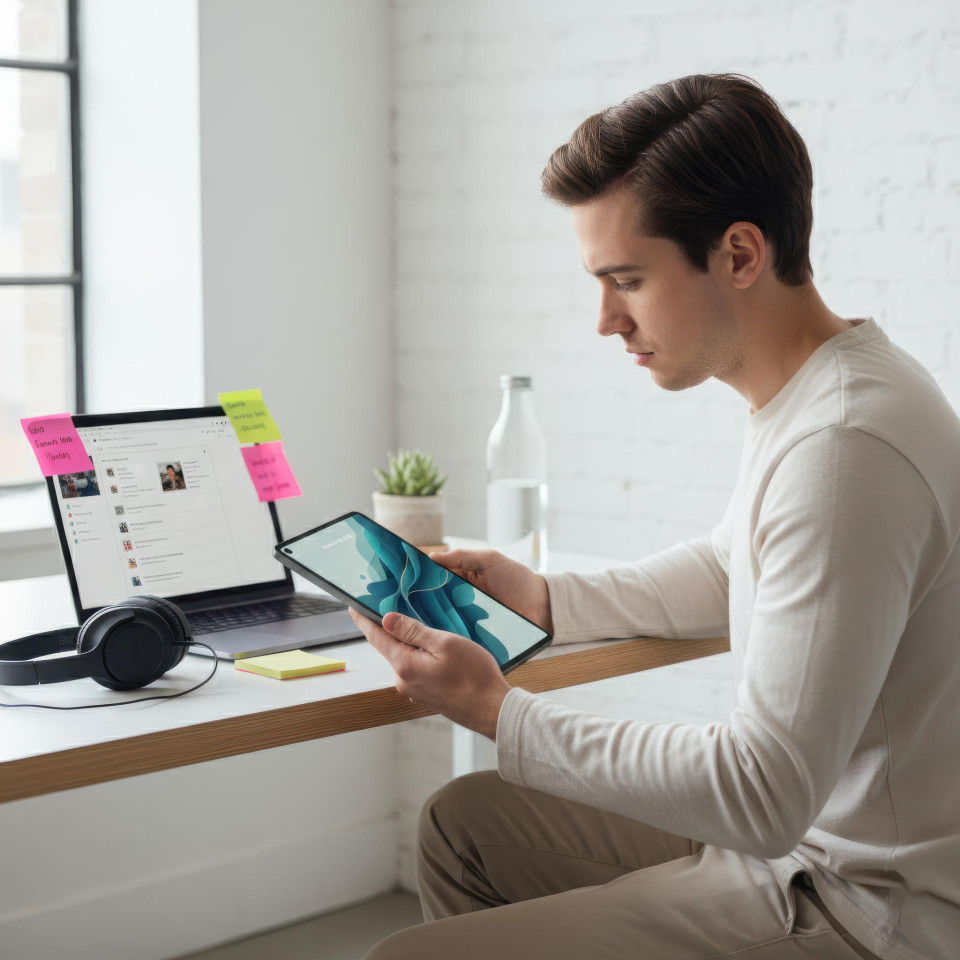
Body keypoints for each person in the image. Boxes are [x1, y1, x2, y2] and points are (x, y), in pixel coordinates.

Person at [353, 73, 960, 960]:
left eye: (627, 280)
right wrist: (546, 598)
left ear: (740, 254)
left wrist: (498, 710)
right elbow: (733, 565)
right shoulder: (820, 392)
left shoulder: (843, 447)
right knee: (466, 825)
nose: (606, 321)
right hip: (798, 852)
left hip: (861, 905)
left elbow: (761, 792)